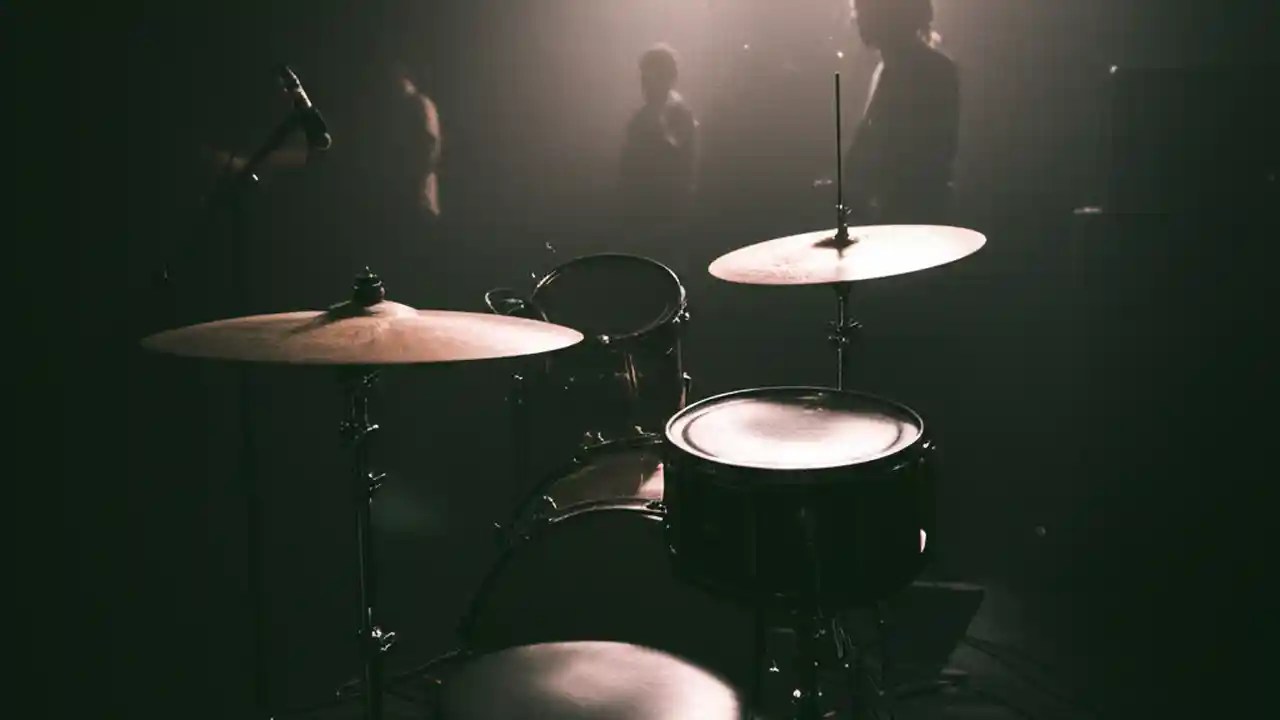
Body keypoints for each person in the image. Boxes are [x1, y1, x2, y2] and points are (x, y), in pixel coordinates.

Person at [844, 0, 959, 225]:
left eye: (863, 9)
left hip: (914, 221)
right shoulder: (887, 69)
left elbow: (931, 158)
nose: (856, 17)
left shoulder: (931, 71)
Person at [619, 44, 699, 230]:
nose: (644, 83)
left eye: (650, 76)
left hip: (666, 215)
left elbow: (671, 160)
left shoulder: (678, 113)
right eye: (643, 76)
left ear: (667, 77)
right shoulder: (642, 116)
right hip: (640, 212)